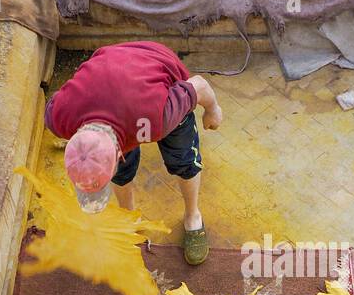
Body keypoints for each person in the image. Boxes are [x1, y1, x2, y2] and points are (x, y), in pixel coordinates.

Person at [44, 41, 223, 265]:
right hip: (109, 62)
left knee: (183, 159)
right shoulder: (59, 117)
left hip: (156, 65)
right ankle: (128, 216)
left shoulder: (157, 116)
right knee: (121, 172)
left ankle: (192, 216)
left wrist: (212, 110)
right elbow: (68, 94)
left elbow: (199, 85)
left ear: (119, 152)